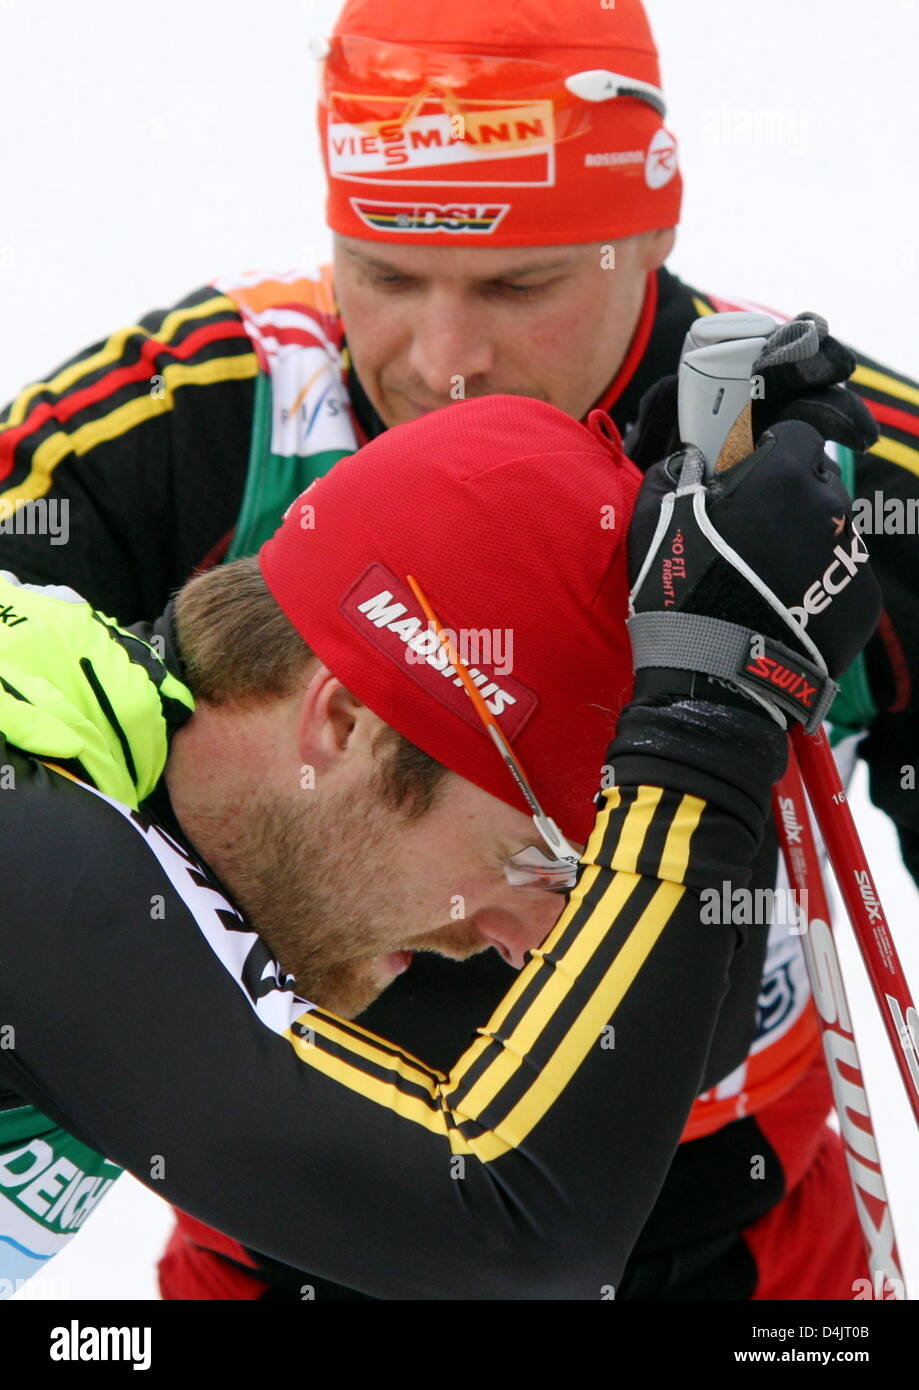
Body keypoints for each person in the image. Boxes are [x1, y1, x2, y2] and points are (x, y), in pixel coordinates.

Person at [0, 0, 914, 1300]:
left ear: (650, 233)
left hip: (735, 1232)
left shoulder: (822, 466)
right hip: (292, 1219)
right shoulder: (187, 417)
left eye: (517, 284)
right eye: (378, 273)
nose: (446, 360)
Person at [0, 375, 882, 1300]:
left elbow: (632, 1094)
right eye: (548, 864)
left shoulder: (102, 773)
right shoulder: (36, 842)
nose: (530, 947)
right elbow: (512, 1228)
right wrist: (709, 723)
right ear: (347, 724)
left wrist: (617, 521)